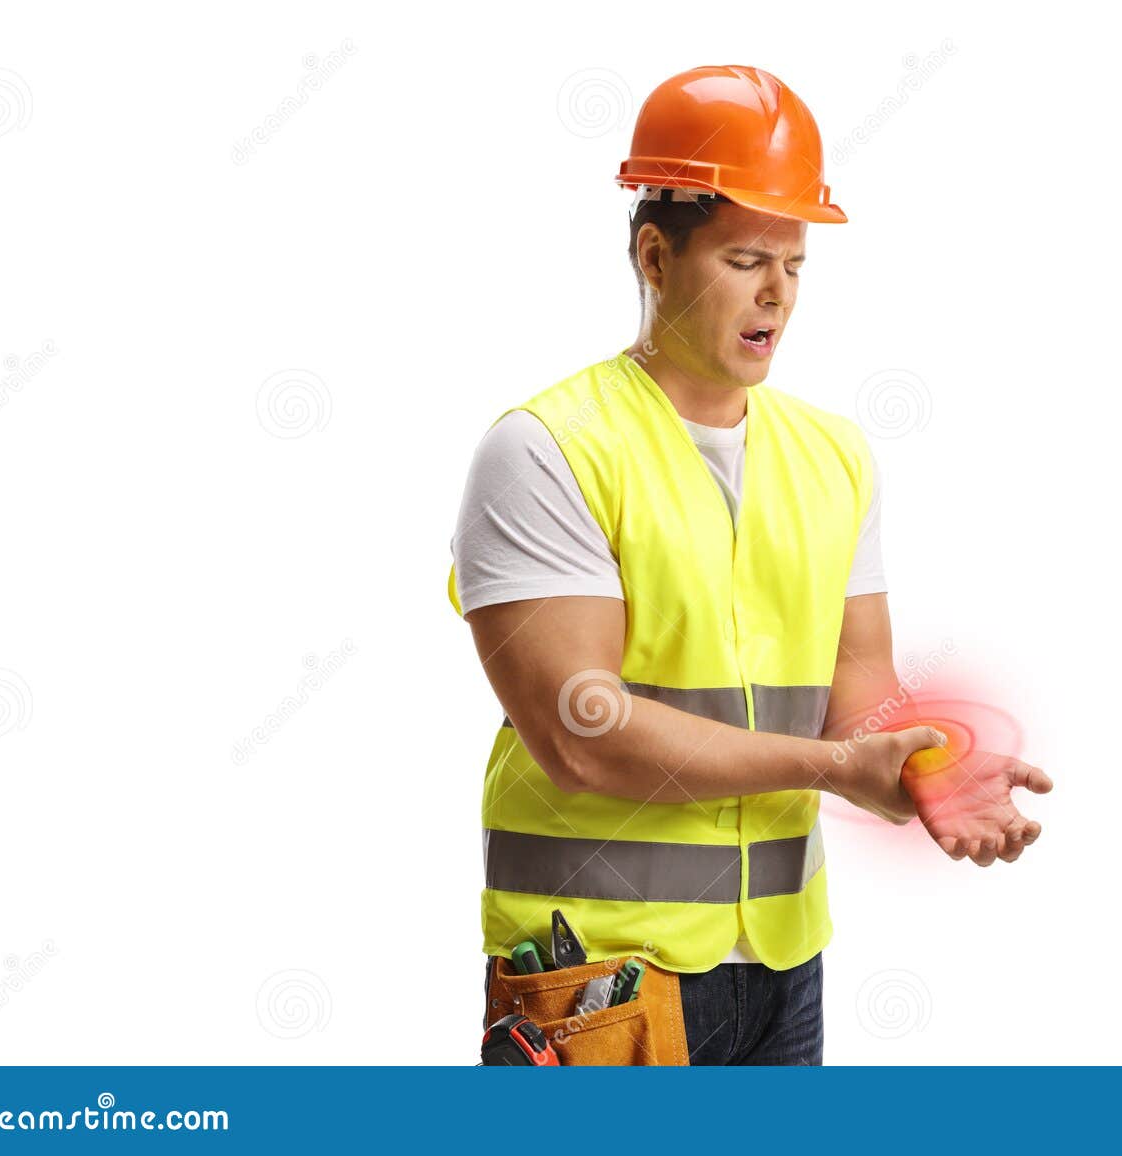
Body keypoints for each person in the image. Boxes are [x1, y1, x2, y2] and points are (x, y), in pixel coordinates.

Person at [450, 65, 1051, 1066]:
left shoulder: (831, 456)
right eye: (742, 258)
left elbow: (857, 692)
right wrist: (835, 770)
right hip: (596, 975)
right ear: (654, 254)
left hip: (782, 970)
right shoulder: (549, 447)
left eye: (795, 262)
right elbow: (581, 737)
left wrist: (924, 759)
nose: (777, 292)